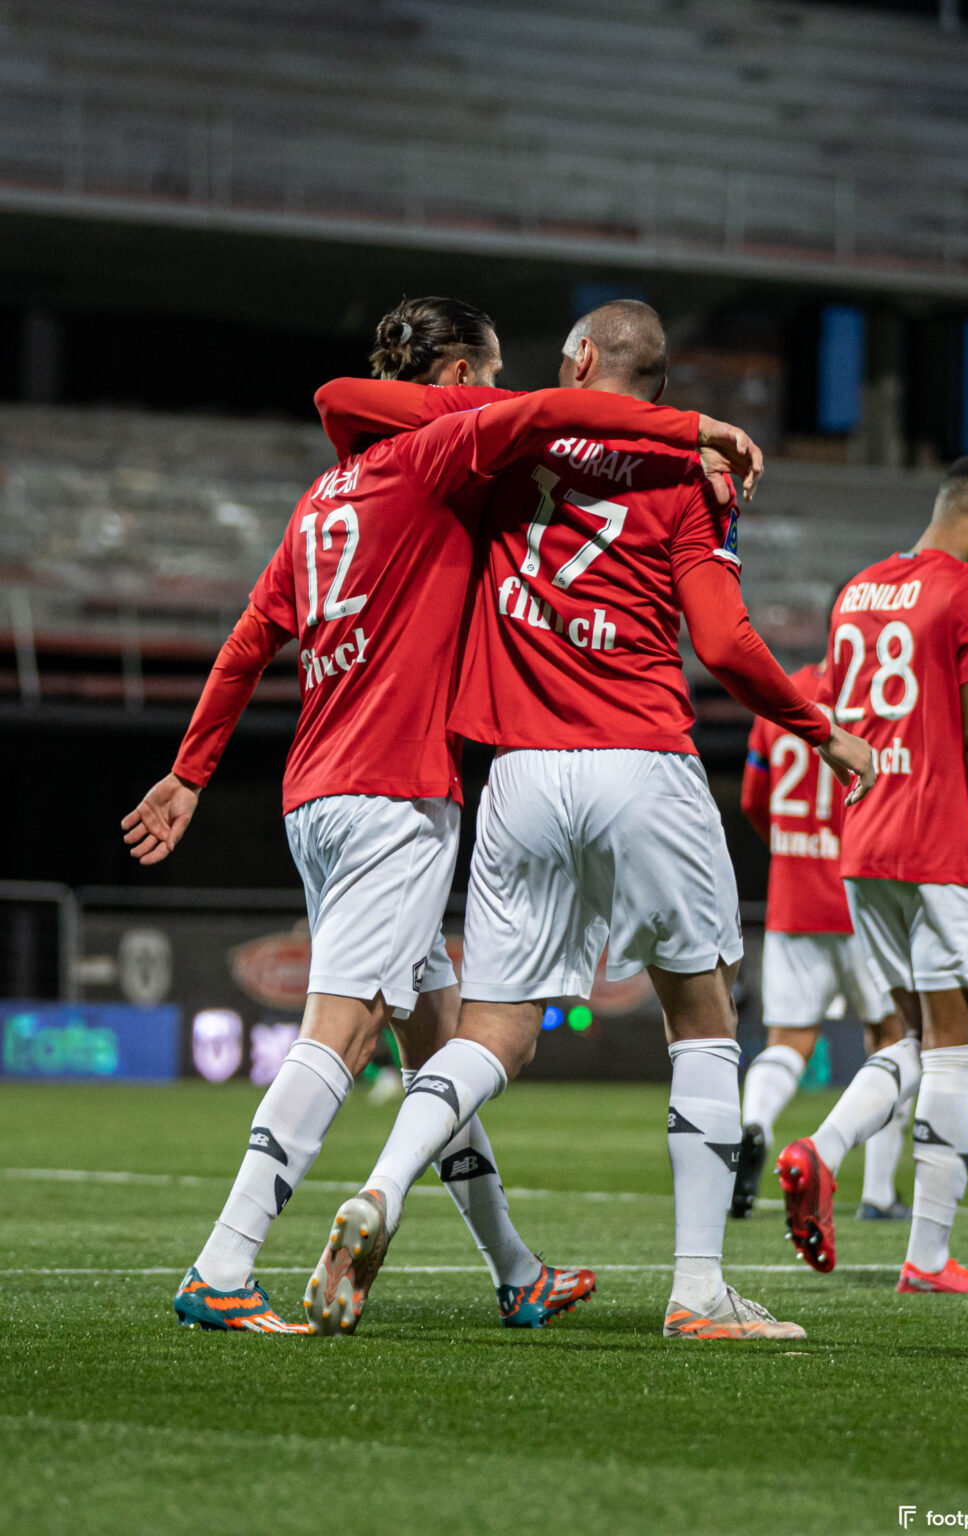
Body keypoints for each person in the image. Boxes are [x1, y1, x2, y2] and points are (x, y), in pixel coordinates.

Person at [123, 296, 763, 1335]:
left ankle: (515, 1269)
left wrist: (192, 773)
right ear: (459, 378)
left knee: (434, 1044)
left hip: (311, 793)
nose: (503, 390)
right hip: (392, 793)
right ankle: (223, 1264)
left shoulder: (320, 496)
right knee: (338, 1035)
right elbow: (567, 410)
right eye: (492, 373)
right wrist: (693, 428)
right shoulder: (441, 458)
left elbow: (249, 637)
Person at [304, 299, 875, 1342]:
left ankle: (380, 1188)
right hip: (640, 760)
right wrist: (819, 728)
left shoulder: (509, 443)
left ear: (574, 360)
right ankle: (698, 1292)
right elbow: (727, 642)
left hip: (519, 773)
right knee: (702, 1015)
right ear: (657, 381)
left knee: (495, 1029)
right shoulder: (688, 477)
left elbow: (347, 402)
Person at [776, 453, 968, 1294]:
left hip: (864, 839)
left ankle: (824, 1150)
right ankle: (924, 1257)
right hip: (942, 843)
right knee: (956, 1045)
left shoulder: (858, 589)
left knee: (917, 1037)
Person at [732, 655, 910, 1221]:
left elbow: (752, 802)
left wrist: (789, 850)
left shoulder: (782, 696)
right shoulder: (876, 700)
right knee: (892, 1035)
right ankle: (879, 1194)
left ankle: (754, 1124)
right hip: (862, 896)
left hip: (792, 897)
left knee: (787, 1040)